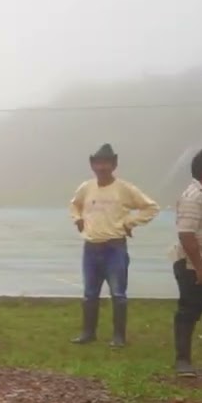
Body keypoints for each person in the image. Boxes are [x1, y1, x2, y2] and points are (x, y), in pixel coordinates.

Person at [68, 143, 160, 347]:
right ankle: (88, 333)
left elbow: (151, 208)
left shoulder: (125, 189)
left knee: (118, 294)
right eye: (98, 163)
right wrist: (77, 219)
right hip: (91, 247)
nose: (102, 167)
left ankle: (119, 337)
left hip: (114, 247)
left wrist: (130, 222)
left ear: (114, 165)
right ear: (92, 165)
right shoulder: (86, 187)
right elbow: (74, 204)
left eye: (106, 163)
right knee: (89, 294)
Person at [172, 148, 202, 377]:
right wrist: (201, 267)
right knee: (190, 311)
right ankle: (183, 360)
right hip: (193, 263)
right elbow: (186, 235)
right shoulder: (193, 197)